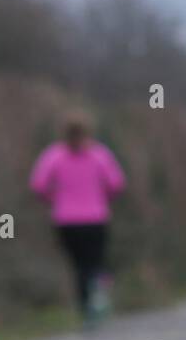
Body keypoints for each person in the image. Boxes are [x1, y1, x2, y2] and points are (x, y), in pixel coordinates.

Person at [29, 113, 126, 326]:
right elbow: (117, 183)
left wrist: (54, 199)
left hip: (66, 220)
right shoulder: (99, 154)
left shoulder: (53, 156)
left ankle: (87, 310)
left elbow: (38, 185)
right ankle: (99, 295)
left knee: (79, 266)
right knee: (96, 262)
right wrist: (103, 197)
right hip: (95, 218)